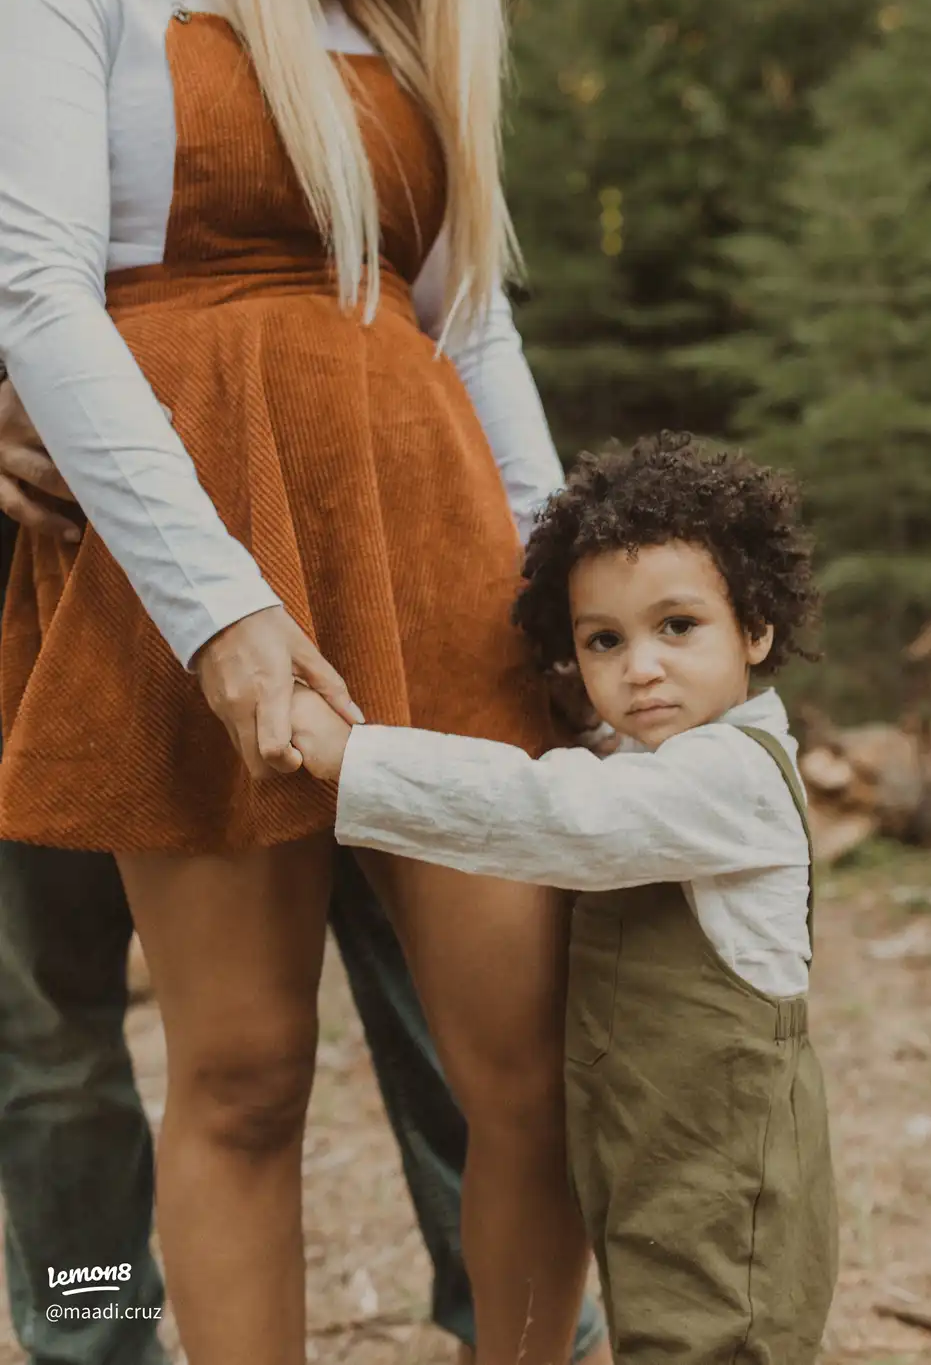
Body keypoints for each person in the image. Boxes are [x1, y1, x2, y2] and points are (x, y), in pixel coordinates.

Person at [0, 0, 594, 1359]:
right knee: (185, 1056)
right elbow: (39, 281)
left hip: (425, 537)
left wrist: (572, 589)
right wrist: (220, 613)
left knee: (528, 1065)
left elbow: (478, 330)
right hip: (159, 540)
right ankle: (95, 1337)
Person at [0, 379, 610, 1365]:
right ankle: (90, 1340)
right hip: (61, 542)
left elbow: (460, 303)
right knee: (51, 1029)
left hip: (344, 487)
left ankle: (526, 1326)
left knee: (462, 1010)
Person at [291, 432, 841, 1364]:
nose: (642, 667)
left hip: (729, 1190)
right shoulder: (651, 762)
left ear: (757, 627)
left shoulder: (727, 779)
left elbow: (557, 813)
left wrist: (361, 761)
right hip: (657, 1178)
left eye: (678, 626)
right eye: (604, 640)